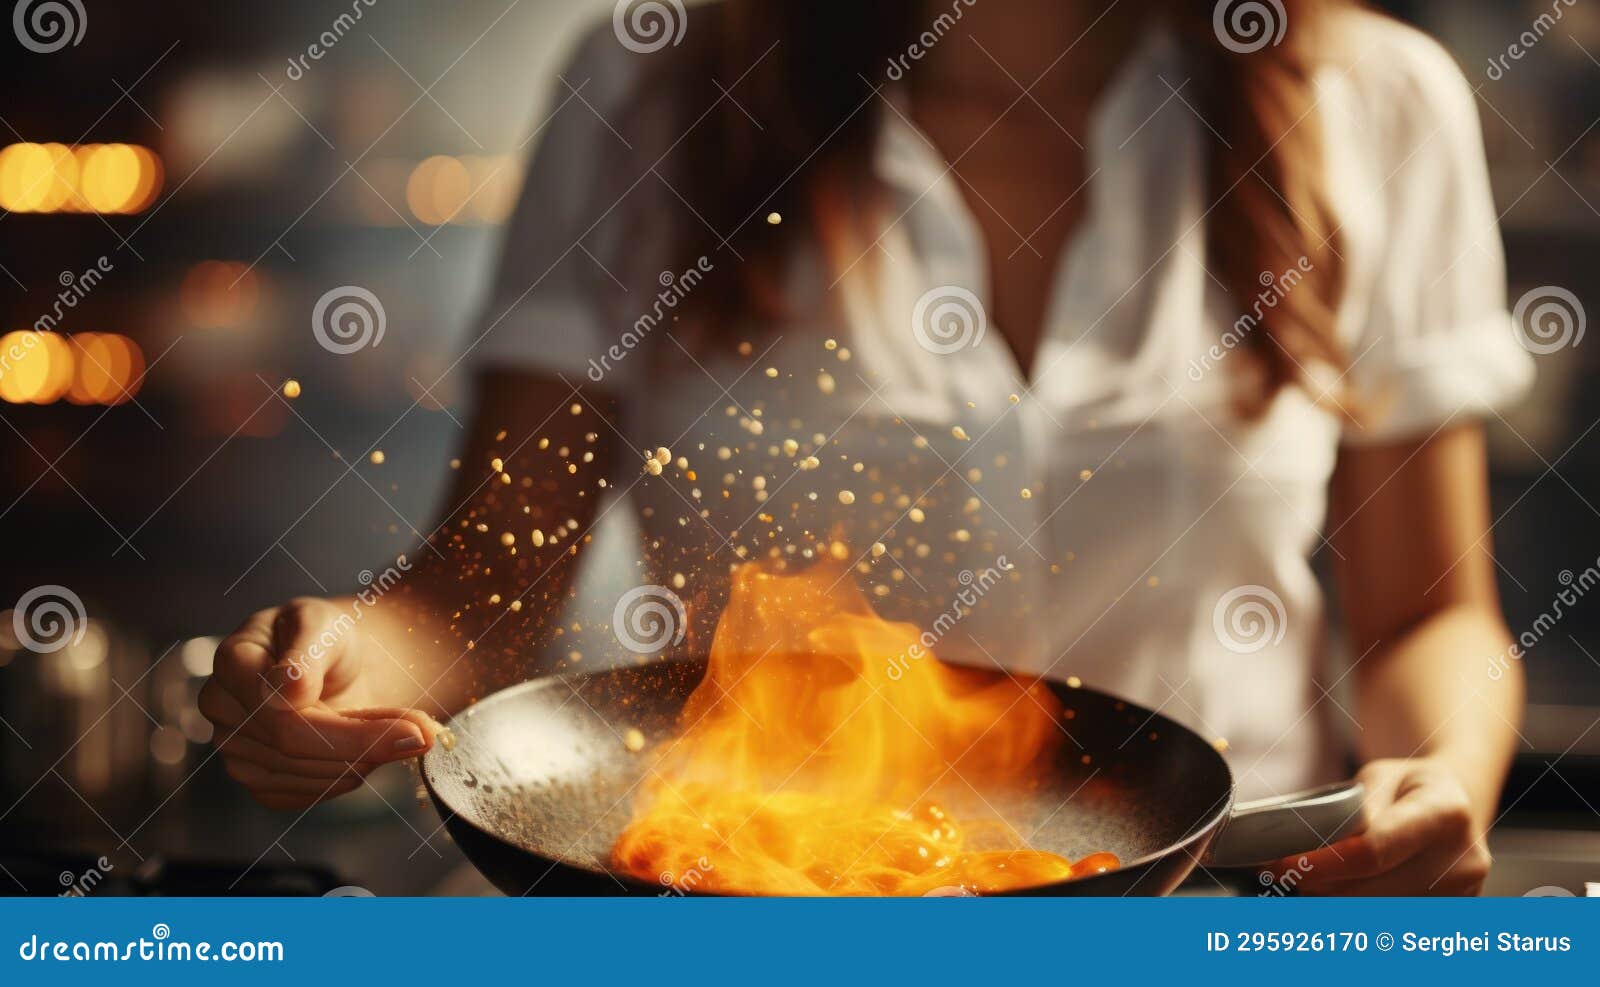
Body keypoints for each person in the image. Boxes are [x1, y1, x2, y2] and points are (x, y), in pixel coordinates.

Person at [199, 0, 1532, 895]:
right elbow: (487, 578)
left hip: (1214, 908)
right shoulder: (655, 85)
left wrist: (1447, 778)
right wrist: (340, 665)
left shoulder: (1380, 103)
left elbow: (1428, 617)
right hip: (746, 907)